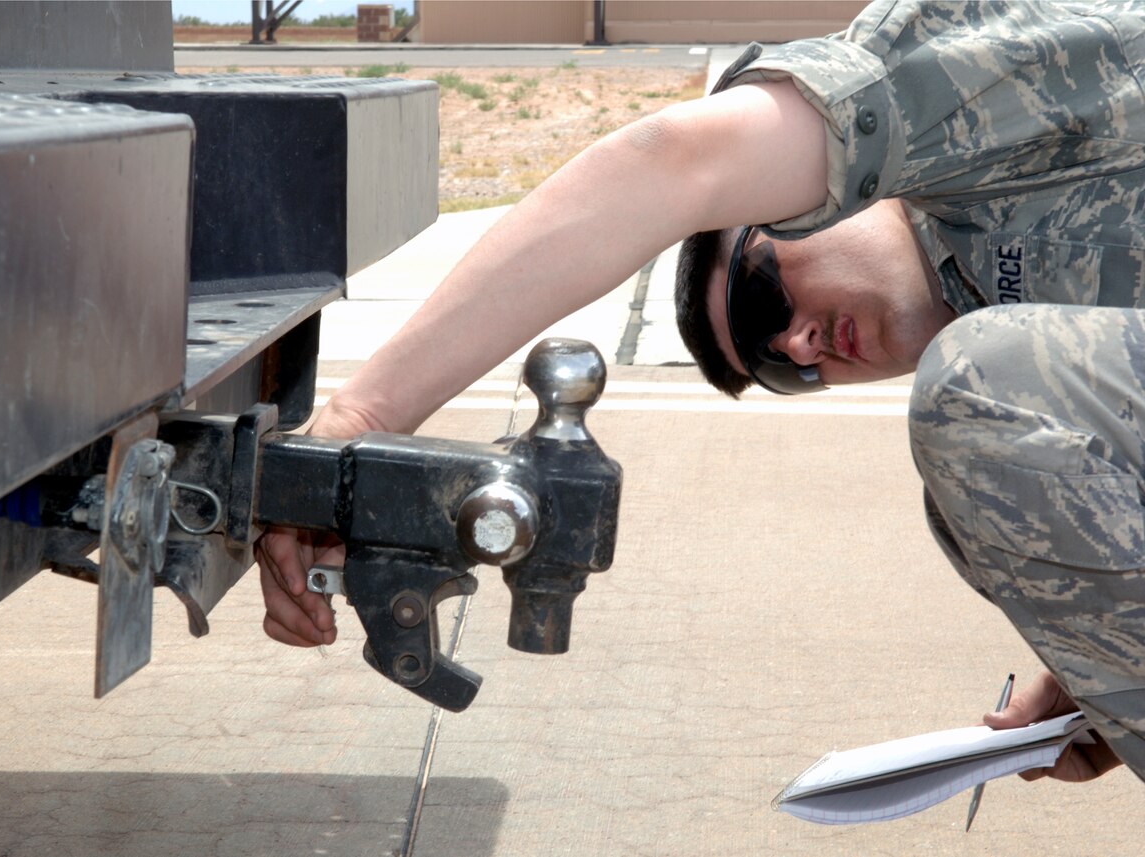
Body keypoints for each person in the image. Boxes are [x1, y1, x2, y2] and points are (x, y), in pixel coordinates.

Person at [257, 0, 1145, 784]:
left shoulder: (964, 104)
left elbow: (674, 164)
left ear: (796, 200)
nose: (797, 342)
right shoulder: (1043, 414)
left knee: (979, 390)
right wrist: (1101, 670)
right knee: (984, 475)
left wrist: (360, 421)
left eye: (765, 294)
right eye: (778, 366)